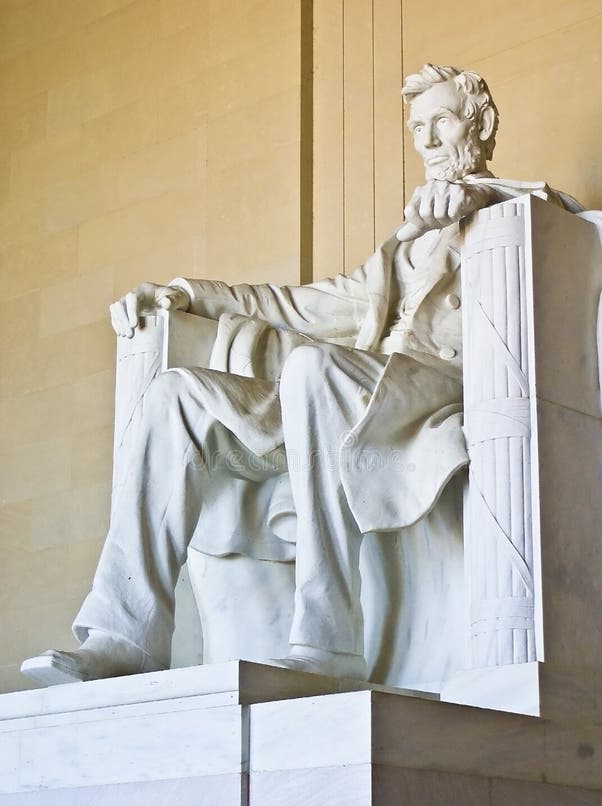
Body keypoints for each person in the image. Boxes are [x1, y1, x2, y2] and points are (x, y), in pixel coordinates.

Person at [21, 64, 579, 686]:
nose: (424, 141)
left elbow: (560, 225)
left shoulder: (527, 209)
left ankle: (326, 638)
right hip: (345, 392)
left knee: (314, 368)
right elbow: (297, 305)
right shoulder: (401, 248)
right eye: (416, 126)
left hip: (432, 394)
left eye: (441, 122)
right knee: (177, 393)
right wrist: (185, 293)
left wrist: (479, 198)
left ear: (480, 126)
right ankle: (126, 634)